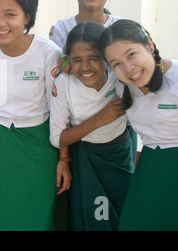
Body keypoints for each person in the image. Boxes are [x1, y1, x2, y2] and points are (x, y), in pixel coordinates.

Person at [0, 0, 67, 230]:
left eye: (10, 14)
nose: (0, 23)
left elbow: (59, 109)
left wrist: (63, 159)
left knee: (36, 215)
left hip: (40, 145)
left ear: (27, 17)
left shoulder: (48, 52)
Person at [49, 21, 134, 230]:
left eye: (93, 59)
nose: (85, 67)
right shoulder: (64, 84)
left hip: (118, 154)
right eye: (77, 60)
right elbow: (57, 138)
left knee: (121, 212)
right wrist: (98, 120)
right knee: (92, 217)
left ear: (106, 57)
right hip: (86, 157)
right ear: (68, 59)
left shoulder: (119, 78)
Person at [97, 19, 178, 231]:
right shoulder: (120, 84)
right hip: (150, 169)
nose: (128, 68)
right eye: (116, 63)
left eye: (131, 54)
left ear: (149, 46)